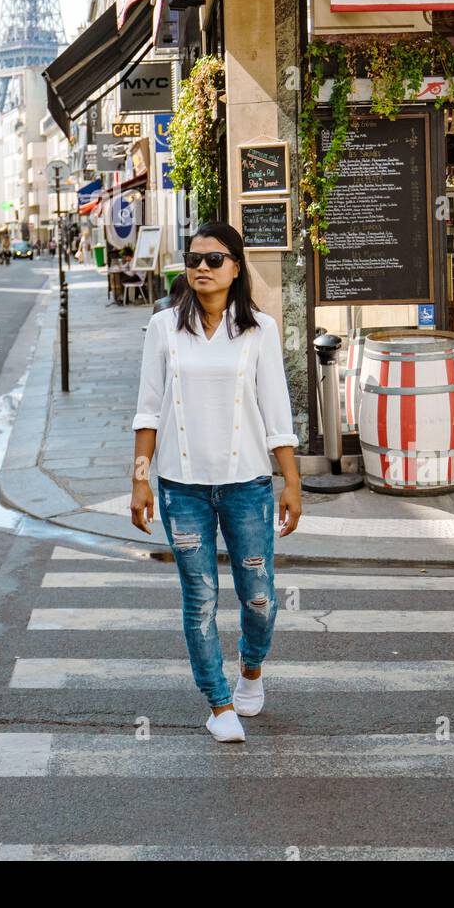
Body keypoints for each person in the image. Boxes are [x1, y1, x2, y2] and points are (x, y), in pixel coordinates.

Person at [130, 221, 302, 743]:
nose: (201, 268)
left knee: (259, 595)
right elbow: (148, 410)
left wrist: (291, 481)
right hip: (181, 487)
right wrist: (141, 480)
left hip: (247, 483)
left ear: (235, 268)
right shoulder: (164, 327)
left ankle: (251, 669)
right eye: (194, 259)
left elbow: (277, 413)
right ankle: (218, 702)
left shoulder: (260, 330)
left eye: (213, 259)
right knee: (200, 596)